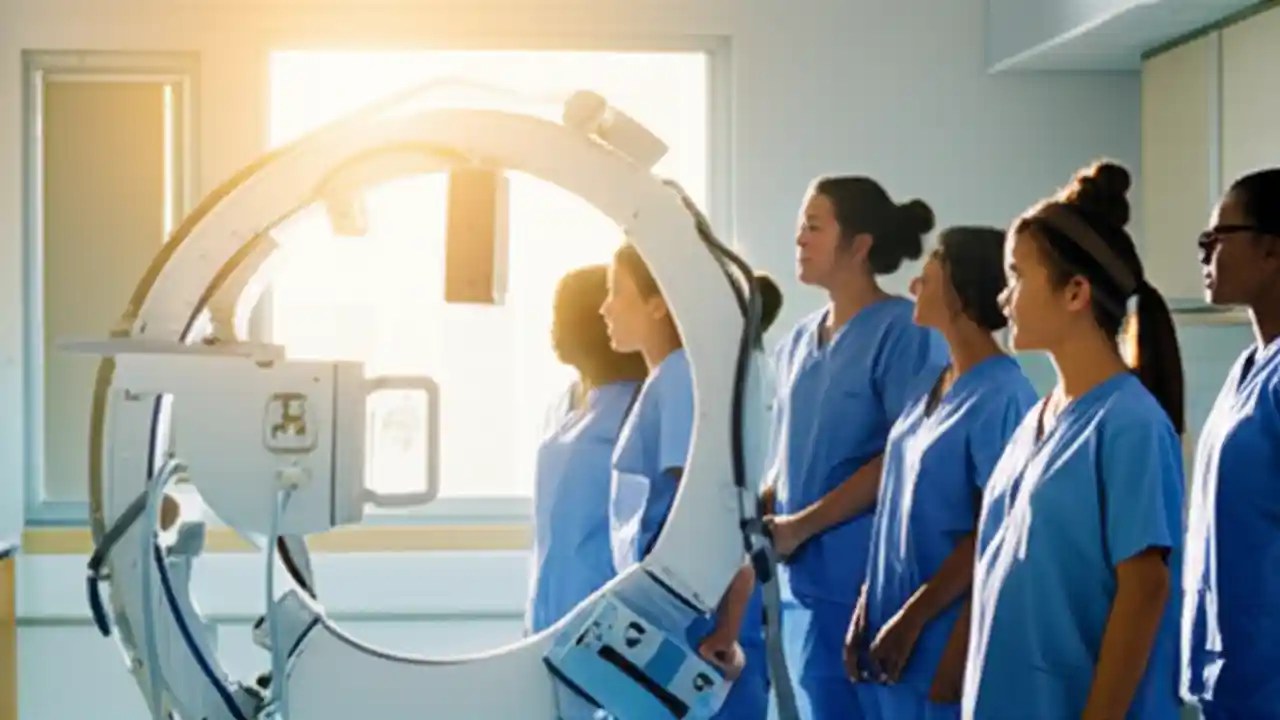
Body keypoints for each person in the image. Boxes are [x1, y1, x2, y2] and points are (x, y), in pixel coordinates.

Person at [963, 161, 1185, 720]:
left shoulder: (1130, 424)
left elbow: (1144, 590)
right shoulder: (1038, 420)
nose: (1004, 298)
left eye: (1017, 276)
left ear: (1076, 292)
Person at [763, 176, 949, 719]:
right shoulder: (798, 341)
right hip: (805, 587)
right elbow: (793, 455)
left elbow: (903, 458)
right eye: (801, 226)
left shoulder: (903, 332)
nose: (800, 238)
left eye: (815, 226)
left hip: (865, 580)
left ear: (860, 244)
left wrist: (804, 525)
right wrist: (768, 508)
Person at [845, 227, 1037, 720]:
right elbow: (894, 510)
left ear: (961, 289)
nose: (914, 285)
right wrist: (868, 602)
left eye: (928, 274)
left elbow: (997, 534)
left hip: (940, 643)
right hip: (890, 645)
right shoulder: (933, 388)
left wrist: (914, 620)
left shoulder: (1004, 397)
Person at [600, 244, 783, 719]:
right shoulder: (673, 377)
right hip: (680, 619)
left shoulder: (684, 376)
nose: (605, 307)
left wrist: (726, 628)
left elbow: (715, 514)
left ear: (659, 302)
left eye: (615, 291)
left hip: (701, 629)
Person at [1182, 168, 1280, 719]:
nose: (1205, 253)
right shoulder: (1247, 368)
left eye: (1216, 239)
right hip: (1232, 679)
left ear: (1271, 249)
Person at [526, 265, 648, 636]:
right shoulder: (567, 404)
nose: (552, 330)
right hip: (550, 603)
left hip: (605, 612)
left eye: (562, 316)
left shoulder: (639, 404)